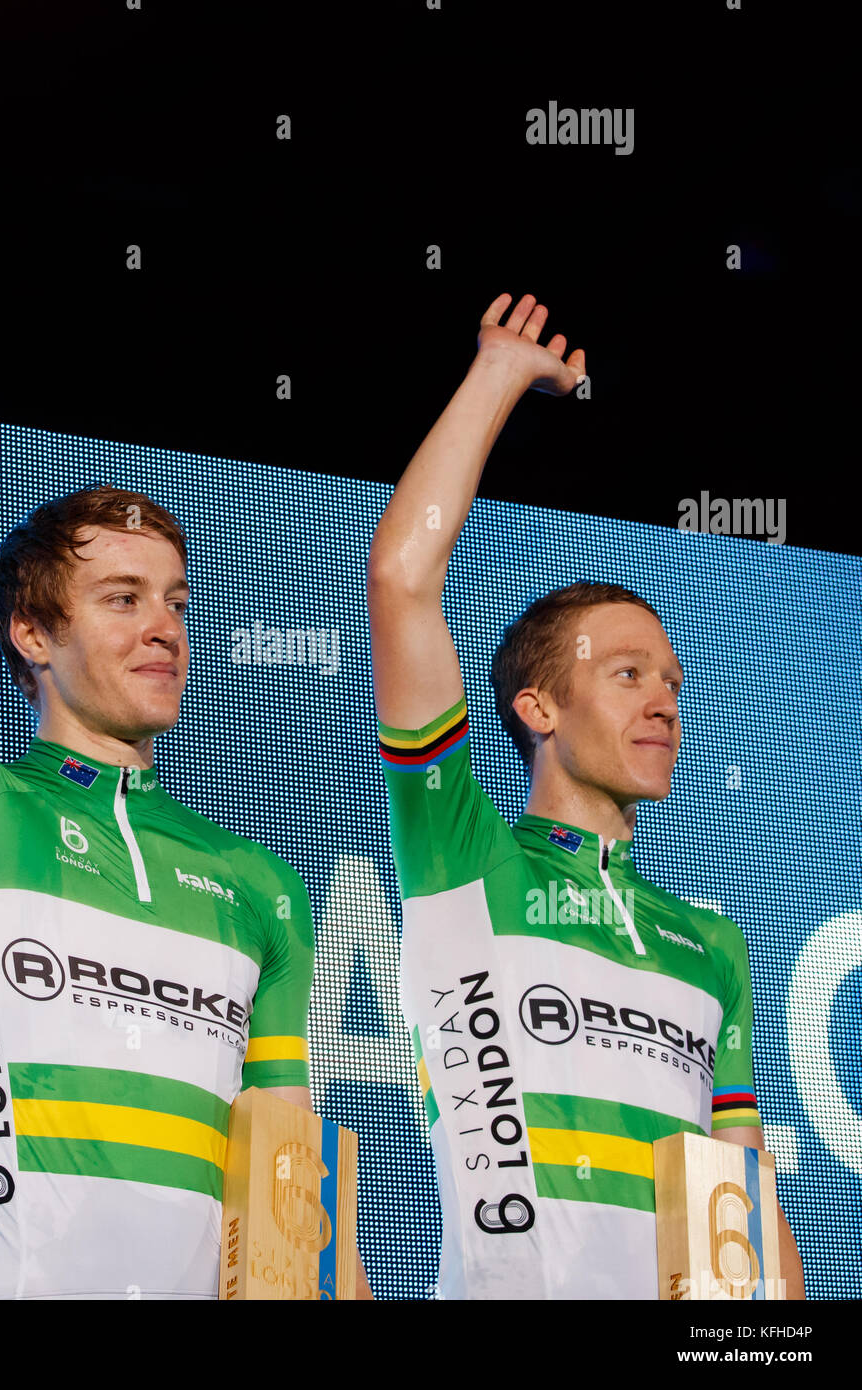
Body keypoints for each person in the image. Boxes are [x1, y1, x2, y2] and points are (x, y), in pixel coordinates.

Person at [0, 72, 370, 1300]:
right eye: (121, 597)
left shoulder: (259, 884)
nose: (164, 625)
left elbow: (283, 1229)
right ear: (29, 631)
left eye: (176, 600)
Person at [366, 290, 803, 1299]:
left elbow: (743, 1198)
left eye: (670, 683)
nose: (661, 701)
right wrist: (497, 374)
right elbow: (399, 577)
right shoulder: (461, 857)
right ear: (537, 706)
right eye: (624, 673)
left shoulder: (709, 943)